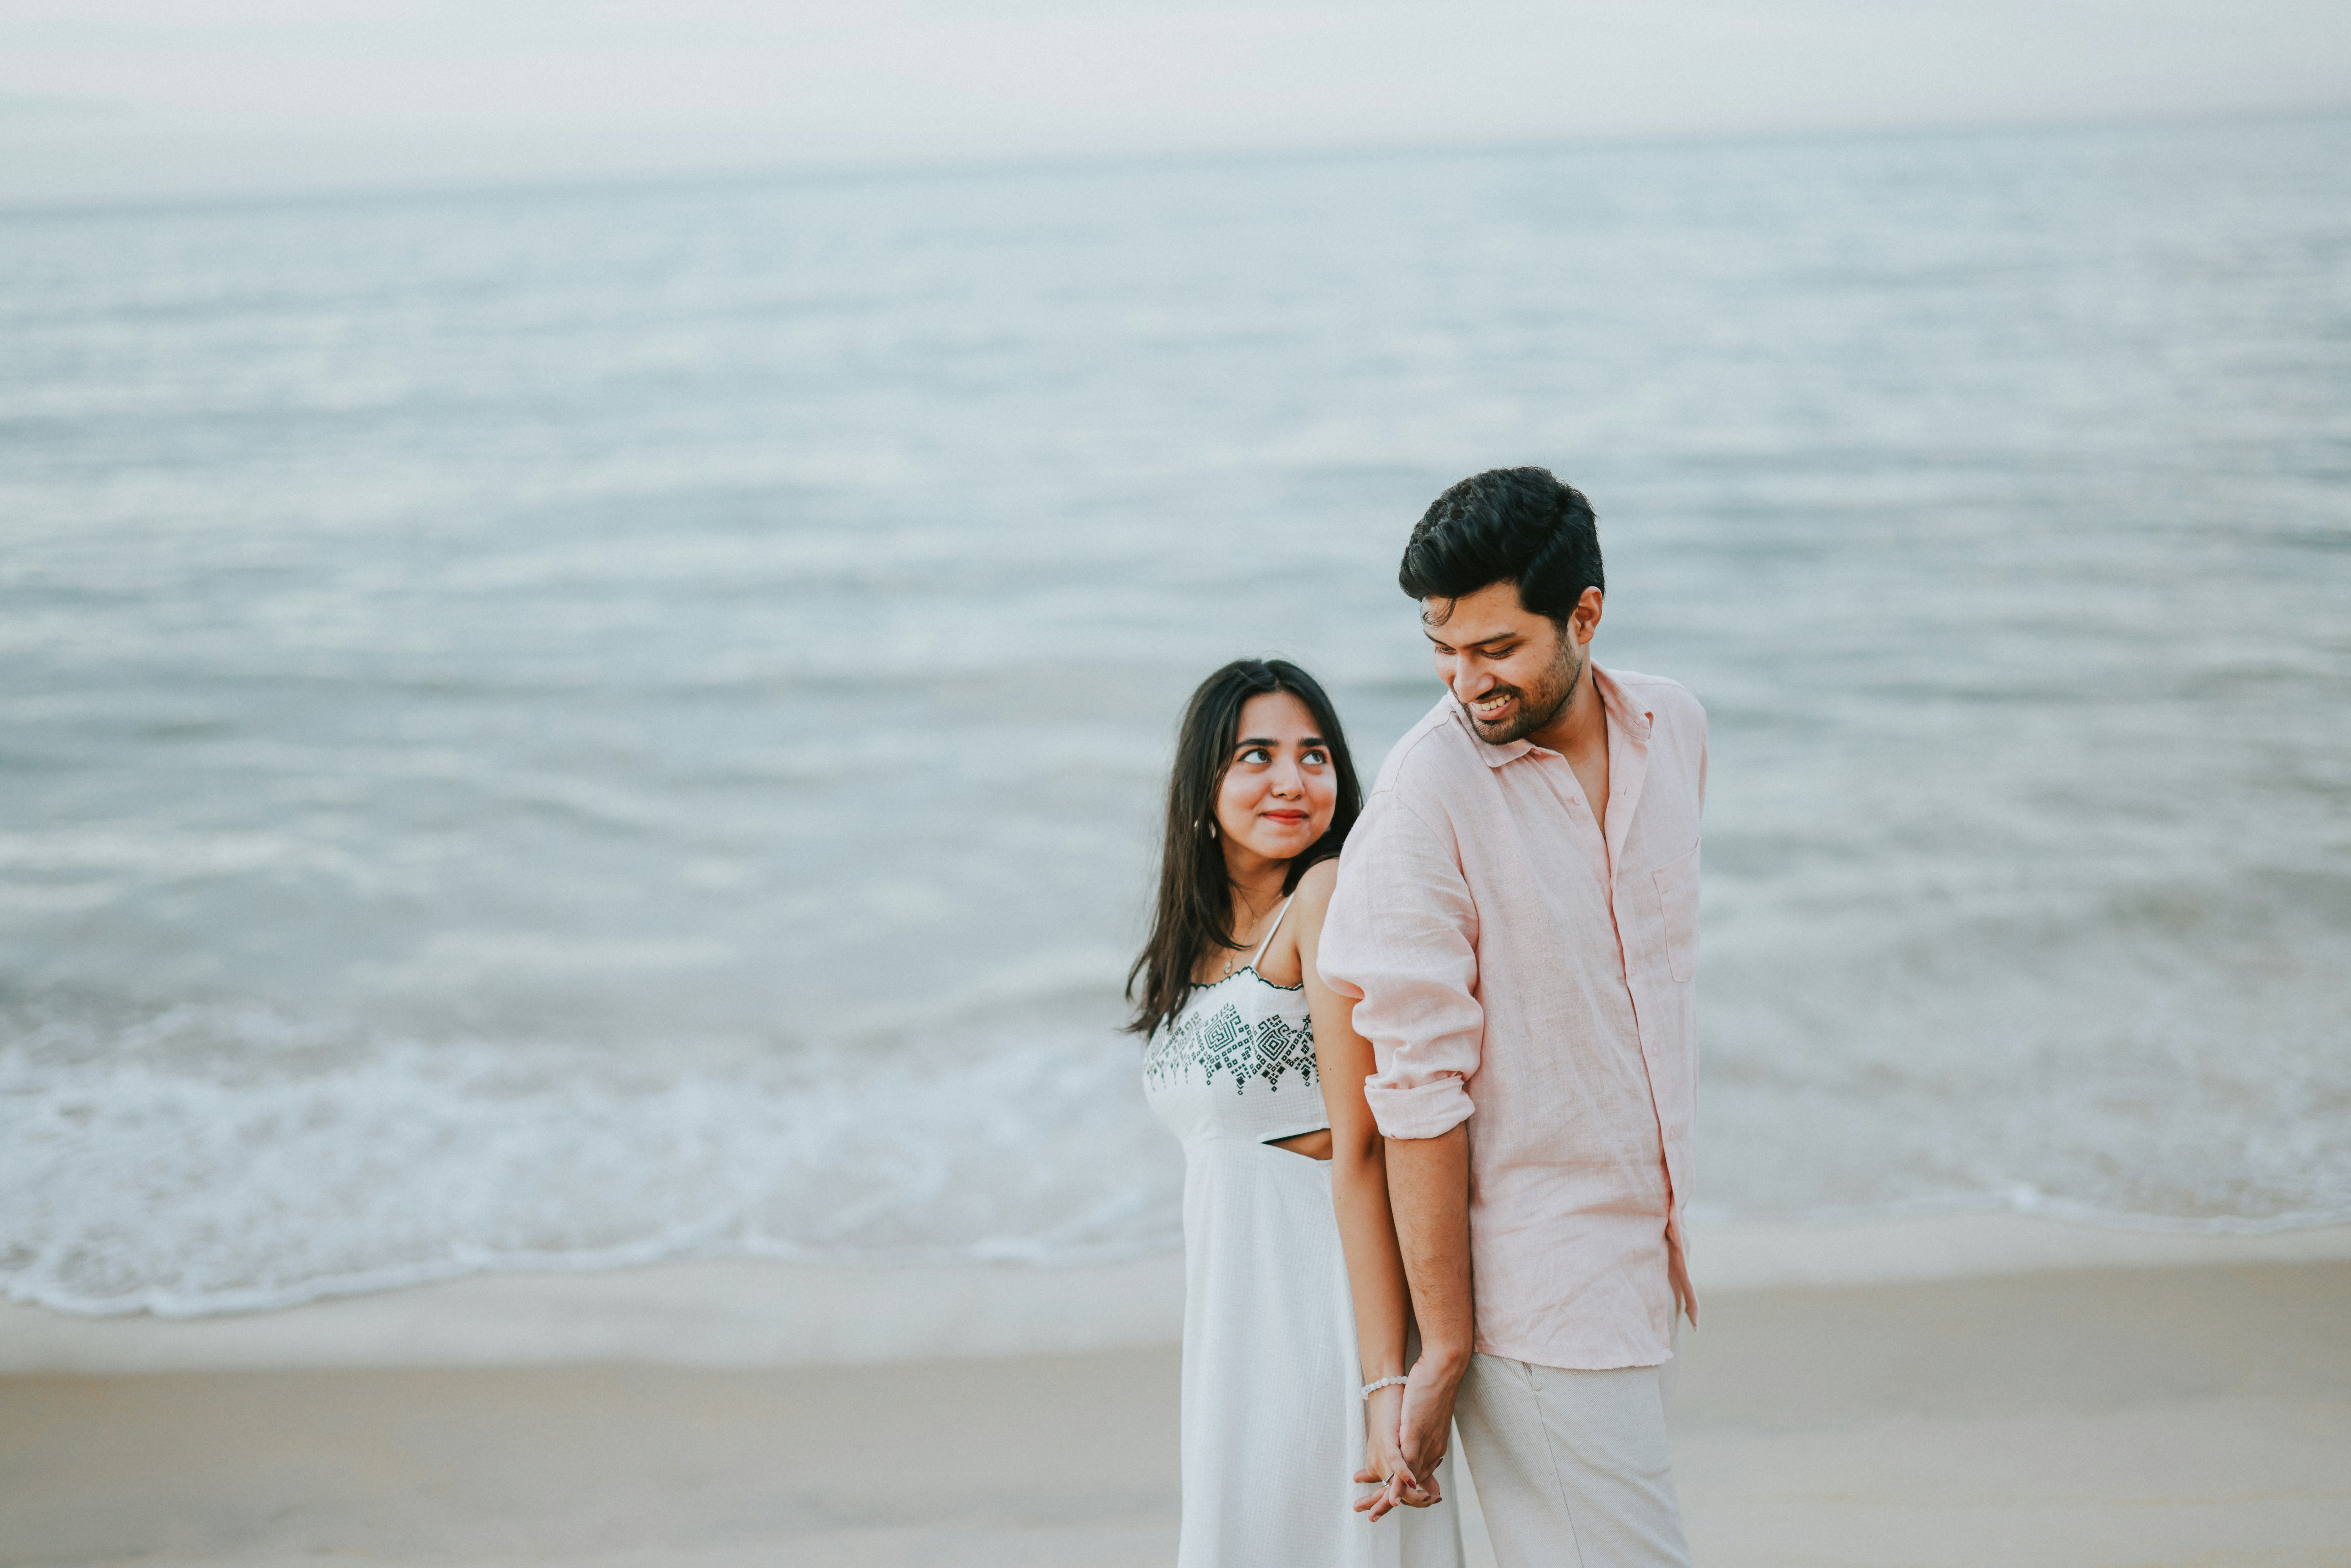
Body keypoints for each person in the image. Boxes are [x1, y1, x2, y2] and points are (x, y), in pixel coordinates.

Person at [1319, 469, 1706, 1567]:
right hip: (1535, 1286)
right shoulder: (1422, 796)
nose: (1463, 681)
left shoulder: (1673, 730)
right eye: (1443, 647)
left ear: (1585, 613)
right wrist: (1442, 1346)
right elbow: (1415, 1090)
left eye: (1496, 650)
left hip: (1646, 1254)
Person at [1132, 658, 1464, 1568]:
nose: (1292, 780)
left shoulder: (1322, 899)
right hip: (1233, 1320)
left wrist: (1385, 1382)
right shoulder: (1194, 945)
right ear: (1204, 786)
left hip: (1318, 1309)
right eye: (1257, 756)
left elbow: (1361, 1150)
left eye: (1314, 756)